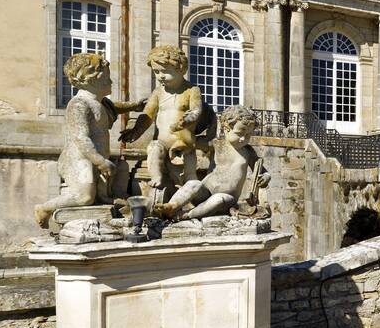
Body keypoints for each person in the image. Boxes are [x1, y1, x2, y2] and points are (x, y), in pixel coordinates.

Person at [34, 54, 139, 227]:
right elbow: (80, 137)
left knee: (103, 195)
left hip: (98, 159)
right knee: (85, 197)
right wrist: (100, 161)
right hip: (78, 159)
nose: (111, 81)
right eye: (106, 77)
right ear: (90, 80)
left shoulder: (100, 102)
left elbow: (115, 107)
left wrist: (135, 105)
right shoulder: (78, 104)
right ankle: (44, 208)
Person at [119, 45, 213, 197]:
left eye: (165, 71)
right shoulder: (158, 92)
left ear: (180, 69)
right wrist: (136, 130)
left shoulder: (192, 90)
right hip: (162, 142)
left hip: (184, 144)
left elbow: (197, 110)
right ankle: (157, 178)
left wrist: (188, 119)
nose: (160, 76)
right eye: (156, 72)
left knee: (189, 177)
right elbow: (148, 115)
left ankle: (193, 200)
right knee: (154, 149)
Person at [157, 106, 269, 220]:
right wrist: (185, 124)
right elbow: (192, 141)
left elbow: (263, 171)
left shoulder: (248, 151)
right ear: (226, 128)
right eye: (240, 133)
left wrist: (266, 176)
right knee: (193, 184)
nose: (243, 139)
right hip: (205, 192)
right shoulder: (217, 144)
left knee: (218, 199)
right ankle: (171, 206)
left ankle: (185, 215)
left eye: (248, 135)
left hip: (227, 199)